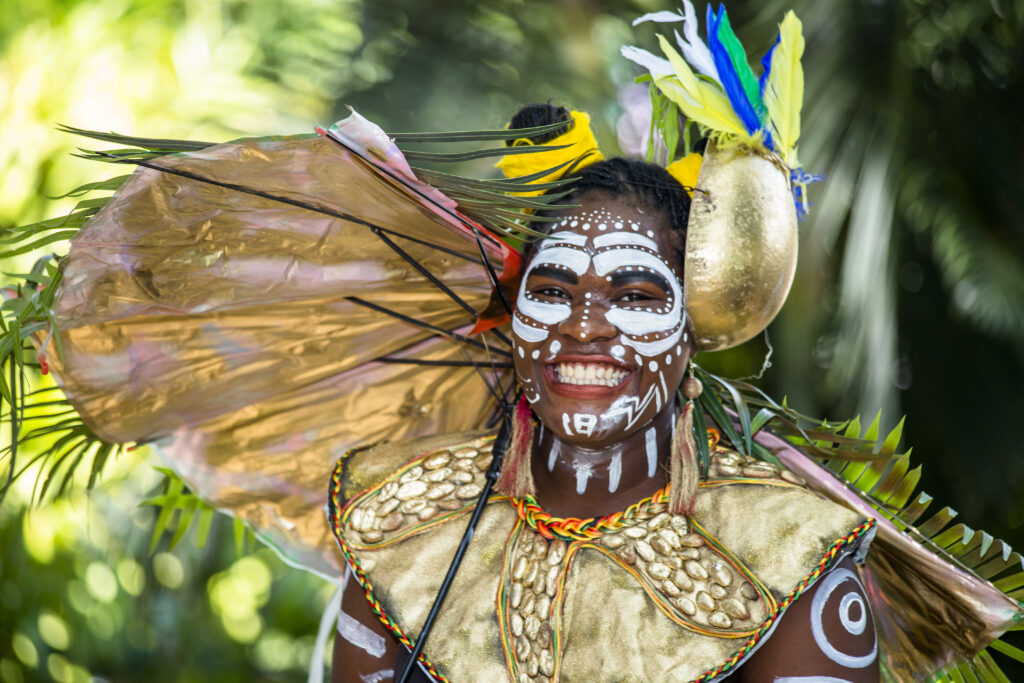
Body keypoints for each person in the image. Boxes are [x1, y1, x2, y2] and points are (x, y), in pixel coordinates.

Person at [327, 105, 880, 682]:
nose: (583, 327)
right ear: (514, 316)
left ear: (693, 327)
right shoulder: (398, 522)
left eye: (635, 296)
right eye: (551, 291)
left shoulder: (786, 551)